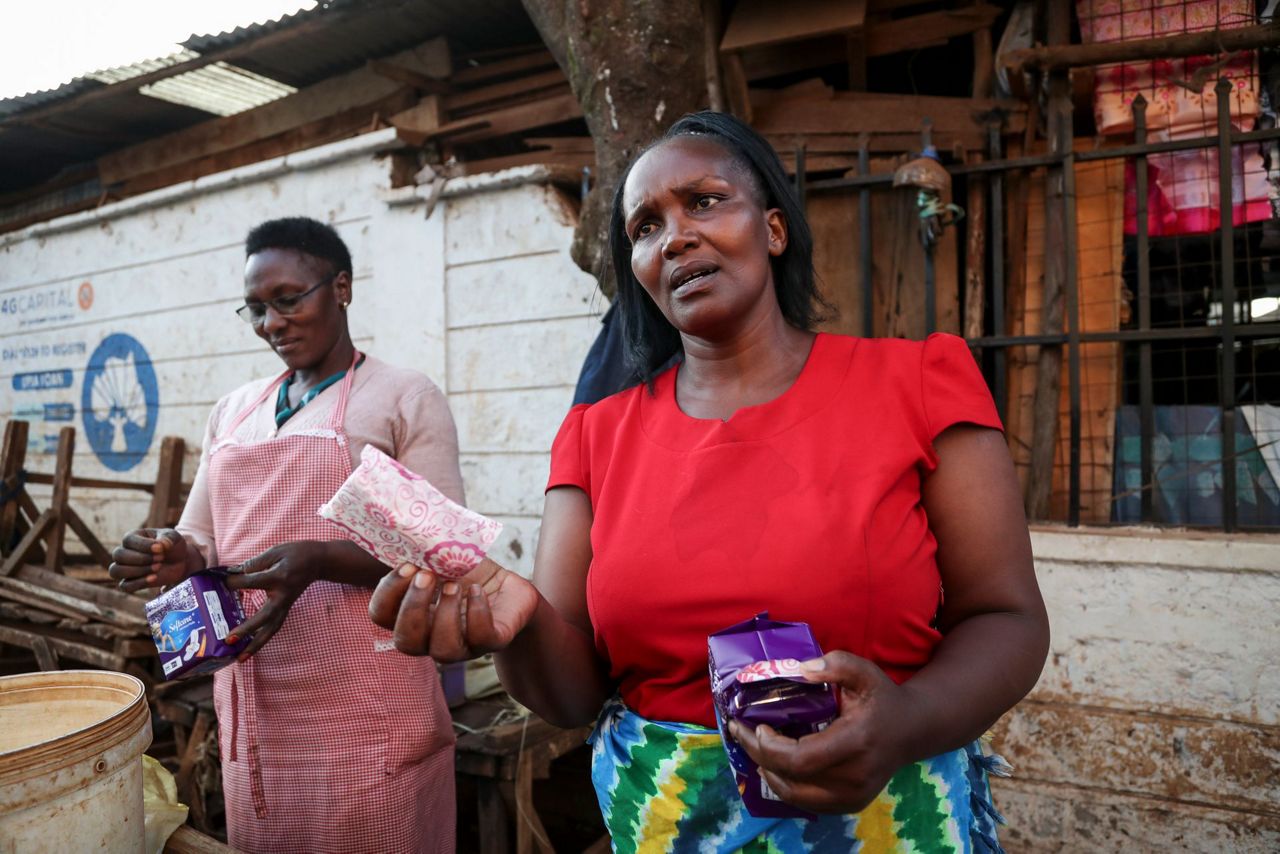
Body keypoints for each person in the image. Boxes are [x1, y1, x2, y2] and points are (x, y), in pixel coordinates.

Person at [369, 112, 1049, 851]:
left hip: (894, 822)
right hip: (666, 828)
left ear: (774, 229)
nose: (675, 237)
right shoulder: (595, 437)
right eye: (645, 227)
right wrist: (521, 625)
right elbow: (571, 694)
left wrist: (907, 722)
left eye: (704, 201)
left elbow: (1006, 618)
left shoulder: (917, 384)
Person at [110, 217, 462, 854]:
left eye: (290, 299)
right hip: (258, 698)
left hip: (365, 701)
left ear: (342, 288)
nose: (272, 323)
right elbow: (201, 538)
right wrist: (169, 553)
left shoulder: (401, 396)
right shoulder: (234, 411)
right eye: (256, 308)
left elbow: (439, 545)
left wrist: (321, 558)